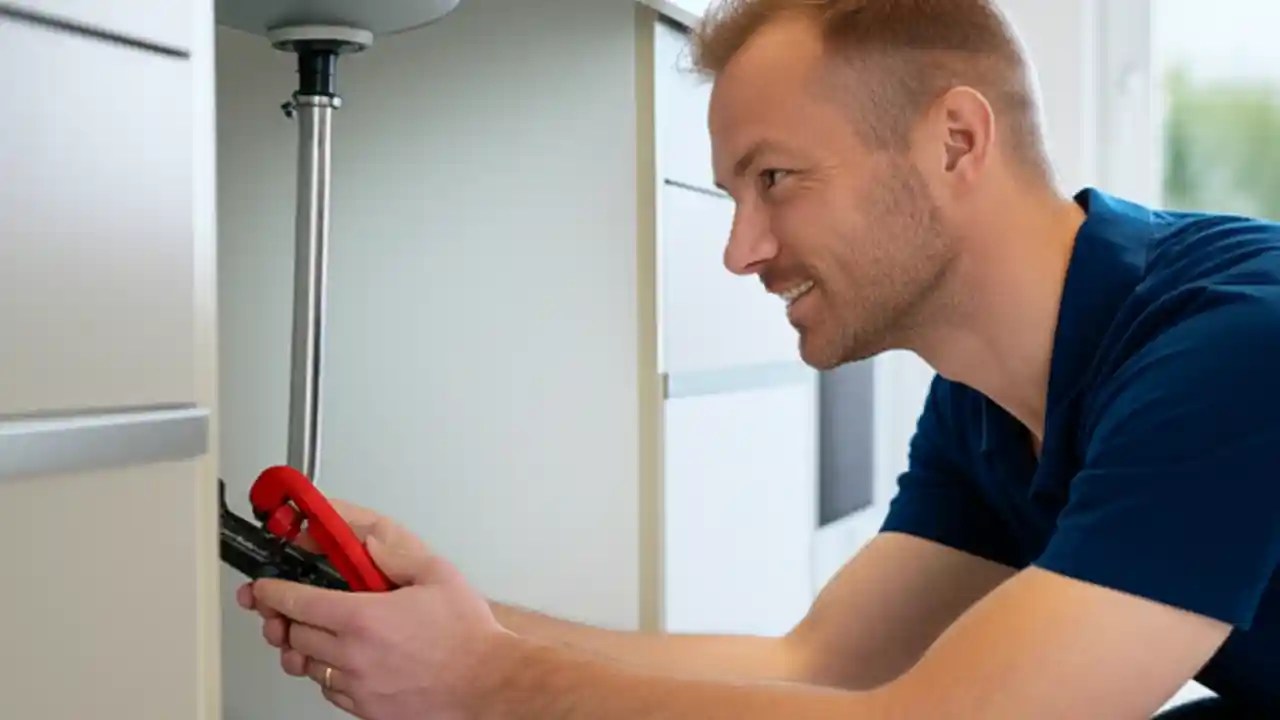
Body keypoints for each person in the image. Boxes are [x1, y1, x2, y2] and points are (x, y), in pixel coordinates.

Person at [237, 0, 1280, 717]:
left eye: (774, 178)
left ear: (955, 142)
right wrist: (444, 618)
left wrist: (483, 686)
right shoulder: (985, 404)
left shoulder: (1229, 345)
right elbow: (817, 667)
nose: (740, 251)